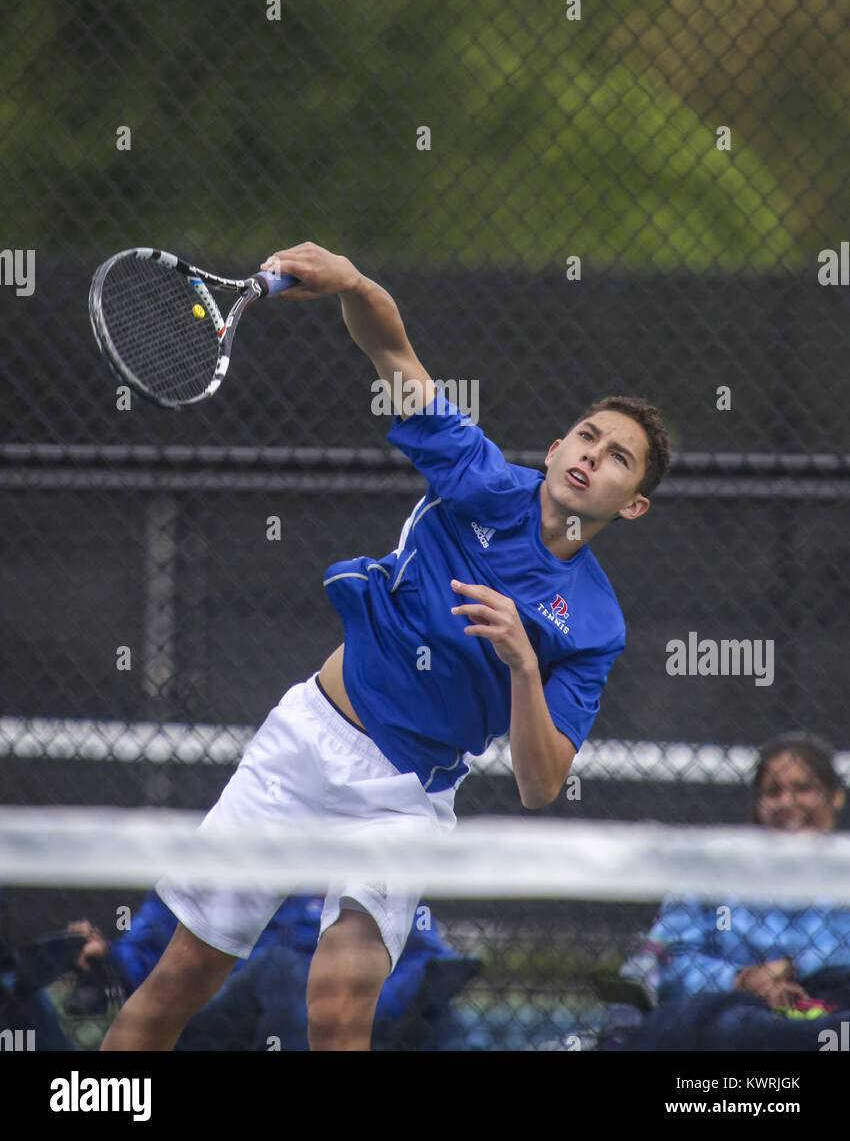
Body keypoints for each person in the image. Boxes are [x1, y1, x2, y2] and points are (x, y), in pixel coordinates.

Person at [101, 241, 670, 1053]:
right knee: (182, 976)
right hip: (306, 741)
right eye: (585, 436)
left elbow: (542, 783)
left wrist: (520, 664)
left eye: (618, 457)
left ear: (635, 505)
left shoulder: (596, 623)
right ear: (553, 449)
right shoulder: (474, 475)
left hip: (405, 797)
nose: (591, 456)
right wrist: (356, 283)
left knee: (337, 1007)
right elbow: (392, 350)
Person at [607, 732, 850, 1050]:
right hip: (735, 1021)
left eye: (803, 789)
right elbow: (664, 960)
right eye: (774, 792)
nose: (787, 803)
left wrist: (794, 968)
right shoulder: (713, 867)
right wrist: (742, 980)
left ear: (835, 797)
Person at [65, 891, 477, 1051]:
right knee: (281, 971)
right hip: (221, 1017)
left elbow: (426, 964)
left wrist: (375, 1008)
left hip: (352, 1021)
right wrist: (108, 957)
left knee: (444, 1014)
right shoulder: (232, 859)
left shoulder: (371, 881)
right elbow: (150, 956)